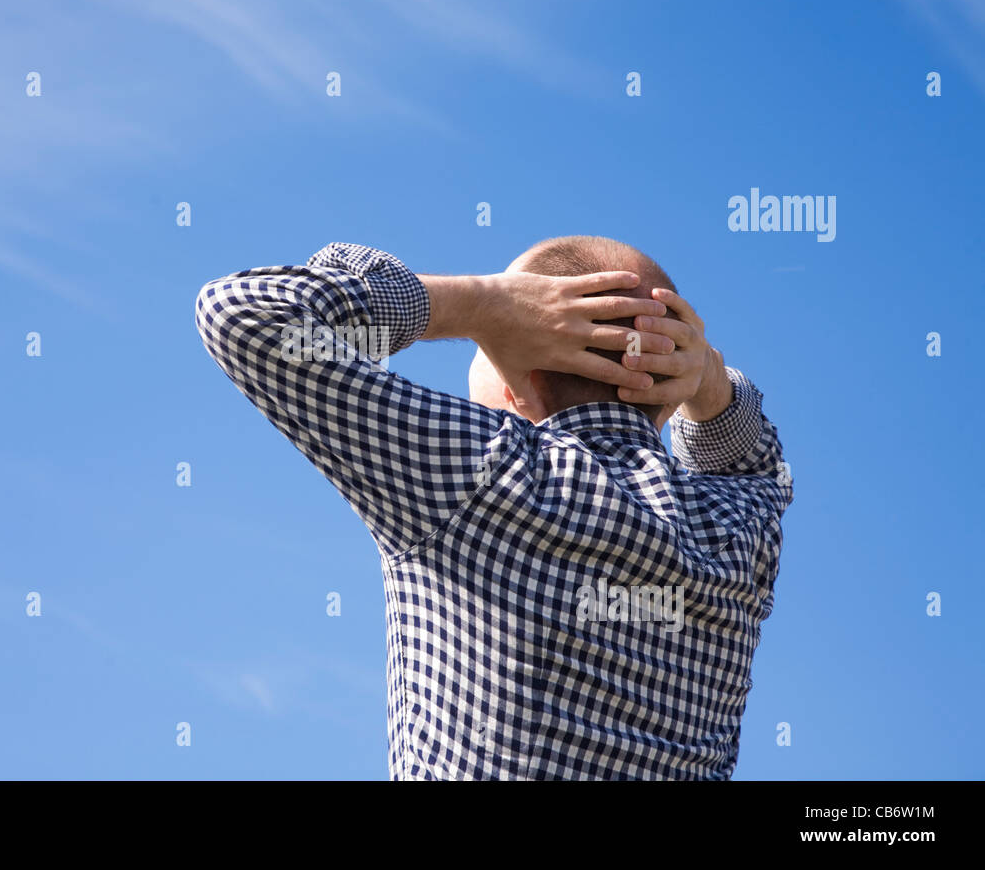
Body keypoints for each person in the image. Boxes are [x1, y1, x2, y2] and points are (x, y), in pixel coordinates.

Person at [195, 237, 792, 779]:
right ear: (666, 396)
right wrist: (703, 374)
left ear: (519, 380)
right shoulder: (736, 529)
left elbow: (244, 312)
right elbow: (750, 457)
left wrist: (484, 304)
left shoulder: (482, 475)